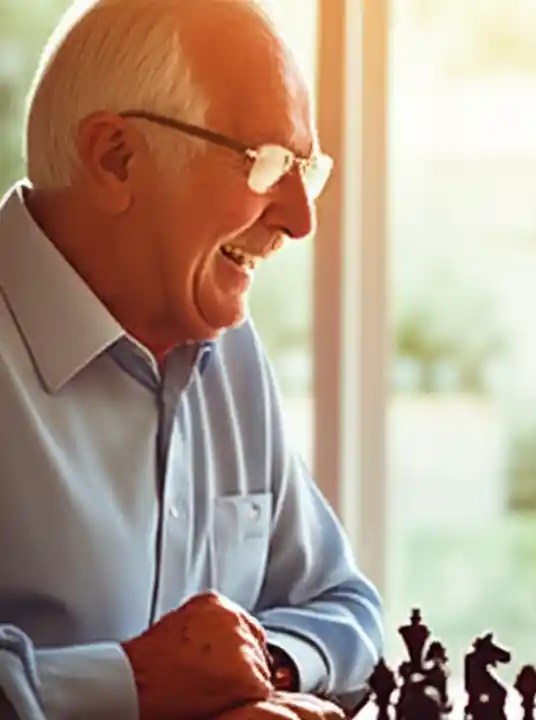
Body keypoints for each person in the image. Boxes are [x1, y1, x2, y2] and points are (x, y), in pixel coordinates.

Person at [0, 0, 383, 718]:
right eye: (267, 163)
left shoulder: (226, 348)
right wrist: (135, 686)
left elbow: (343, 605)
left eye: (305, 169)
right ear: (116, 158)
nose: (301, 219)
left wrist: (258, 668)